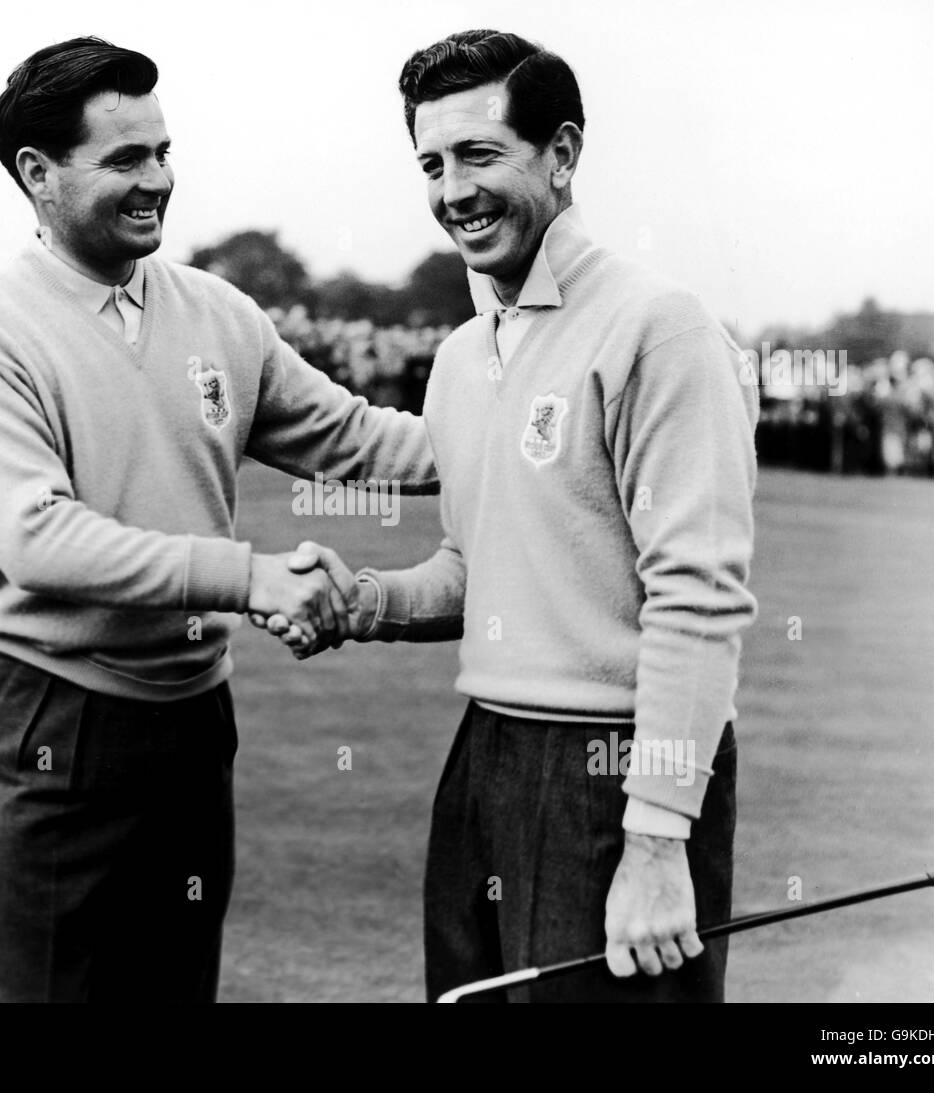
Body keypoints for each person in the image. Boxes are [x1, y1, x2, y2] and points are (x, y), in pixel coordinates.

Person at [0, 36, 437, 1003]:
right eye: (125, 159)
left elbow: (361, 440)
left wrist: (547, 434)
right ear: (37, 174)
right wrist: (249, 575)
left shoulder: (219, 313)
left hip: (193, 725)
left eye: (162, 152)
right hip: (44, 720)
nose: (157, 178)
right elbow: (38, 537)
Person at [258, 28, 759, 1002]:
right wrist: (355, 602)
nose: (453, 191)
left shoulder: (658, 327)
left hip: (610, 771)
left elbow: (696, 598)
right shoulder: (459, 355)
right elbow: (478, 566)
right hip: (484, 751)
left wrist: (657, 837)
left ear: (561, 155)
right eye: (432, 164)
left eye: (480, 155)